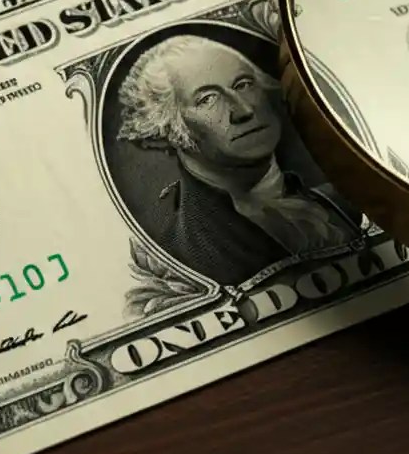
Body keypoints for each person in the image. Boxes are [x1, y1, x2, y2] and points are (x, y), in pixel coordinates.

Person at [116, 33, 361, 285]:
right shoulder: (181, 257)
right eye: (207, 99)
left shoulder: (346, 199)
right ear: (163, 131)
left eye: (243, 84)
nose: (244, 110)